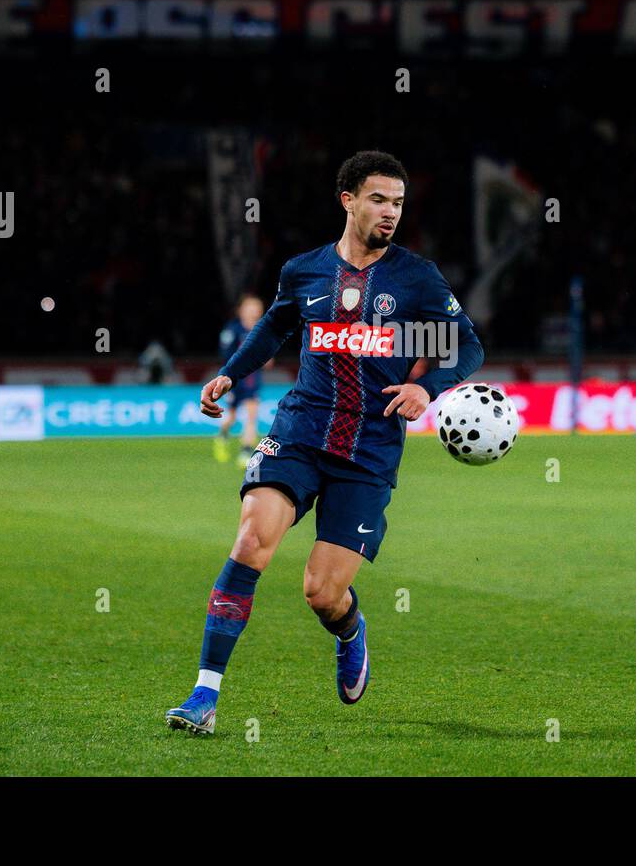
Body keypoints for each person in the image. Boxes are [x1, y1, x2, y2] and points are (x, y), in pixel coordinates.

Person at [166, 150, 484, 734]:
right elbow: (275, 327)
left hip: (369, 449)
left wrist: (428, 388)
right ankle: (203, 697)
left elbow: (465, 346)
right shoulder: (305, 270)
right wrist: (230, 373)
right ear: (349, 200)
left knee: (321, 592)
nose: (390, 212)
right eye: (379, 200)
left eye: (398, 203)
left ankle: (350, 630)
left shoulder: (415, 279)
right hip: (301, 429)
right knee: (251, 541)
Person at [213, 295, 265, 469]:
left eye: (257, 307)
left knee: (252, 414)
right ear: (242, 310)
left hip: (252, 380)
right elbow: (226, 354)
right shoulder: (233, 329)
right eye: (251, 307)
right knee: (232, 416)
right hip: (234, 380)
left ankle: (245, 451)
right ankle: (222, 435)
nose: (255, 310)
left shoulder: (262, 329)